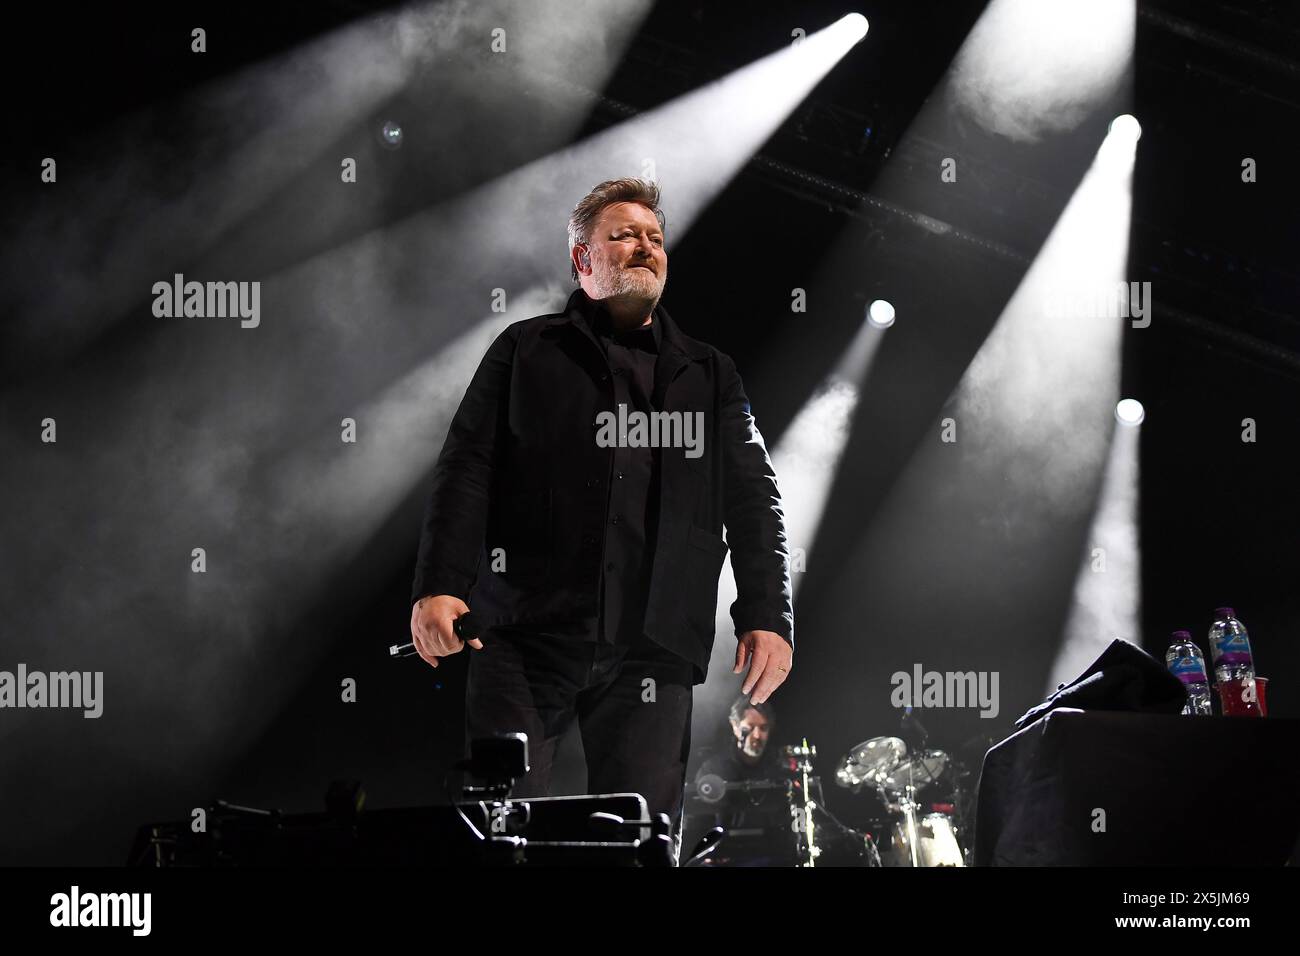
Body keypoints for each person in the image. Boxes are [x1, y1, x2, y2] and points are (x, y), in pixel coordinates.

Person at [408, 177, 794, 863]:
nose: (645, 246)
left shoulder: (710, 373)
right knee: (497, 834)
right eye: (624, 235)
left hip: (654, 641)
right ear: (583, 260)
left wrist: (767, 612)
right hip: (524, 631)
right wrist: (439, 584)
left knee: (642, 845)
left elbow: (753, 496)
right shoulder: (525, 349)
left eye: (655, 237)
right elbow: (467, 467)